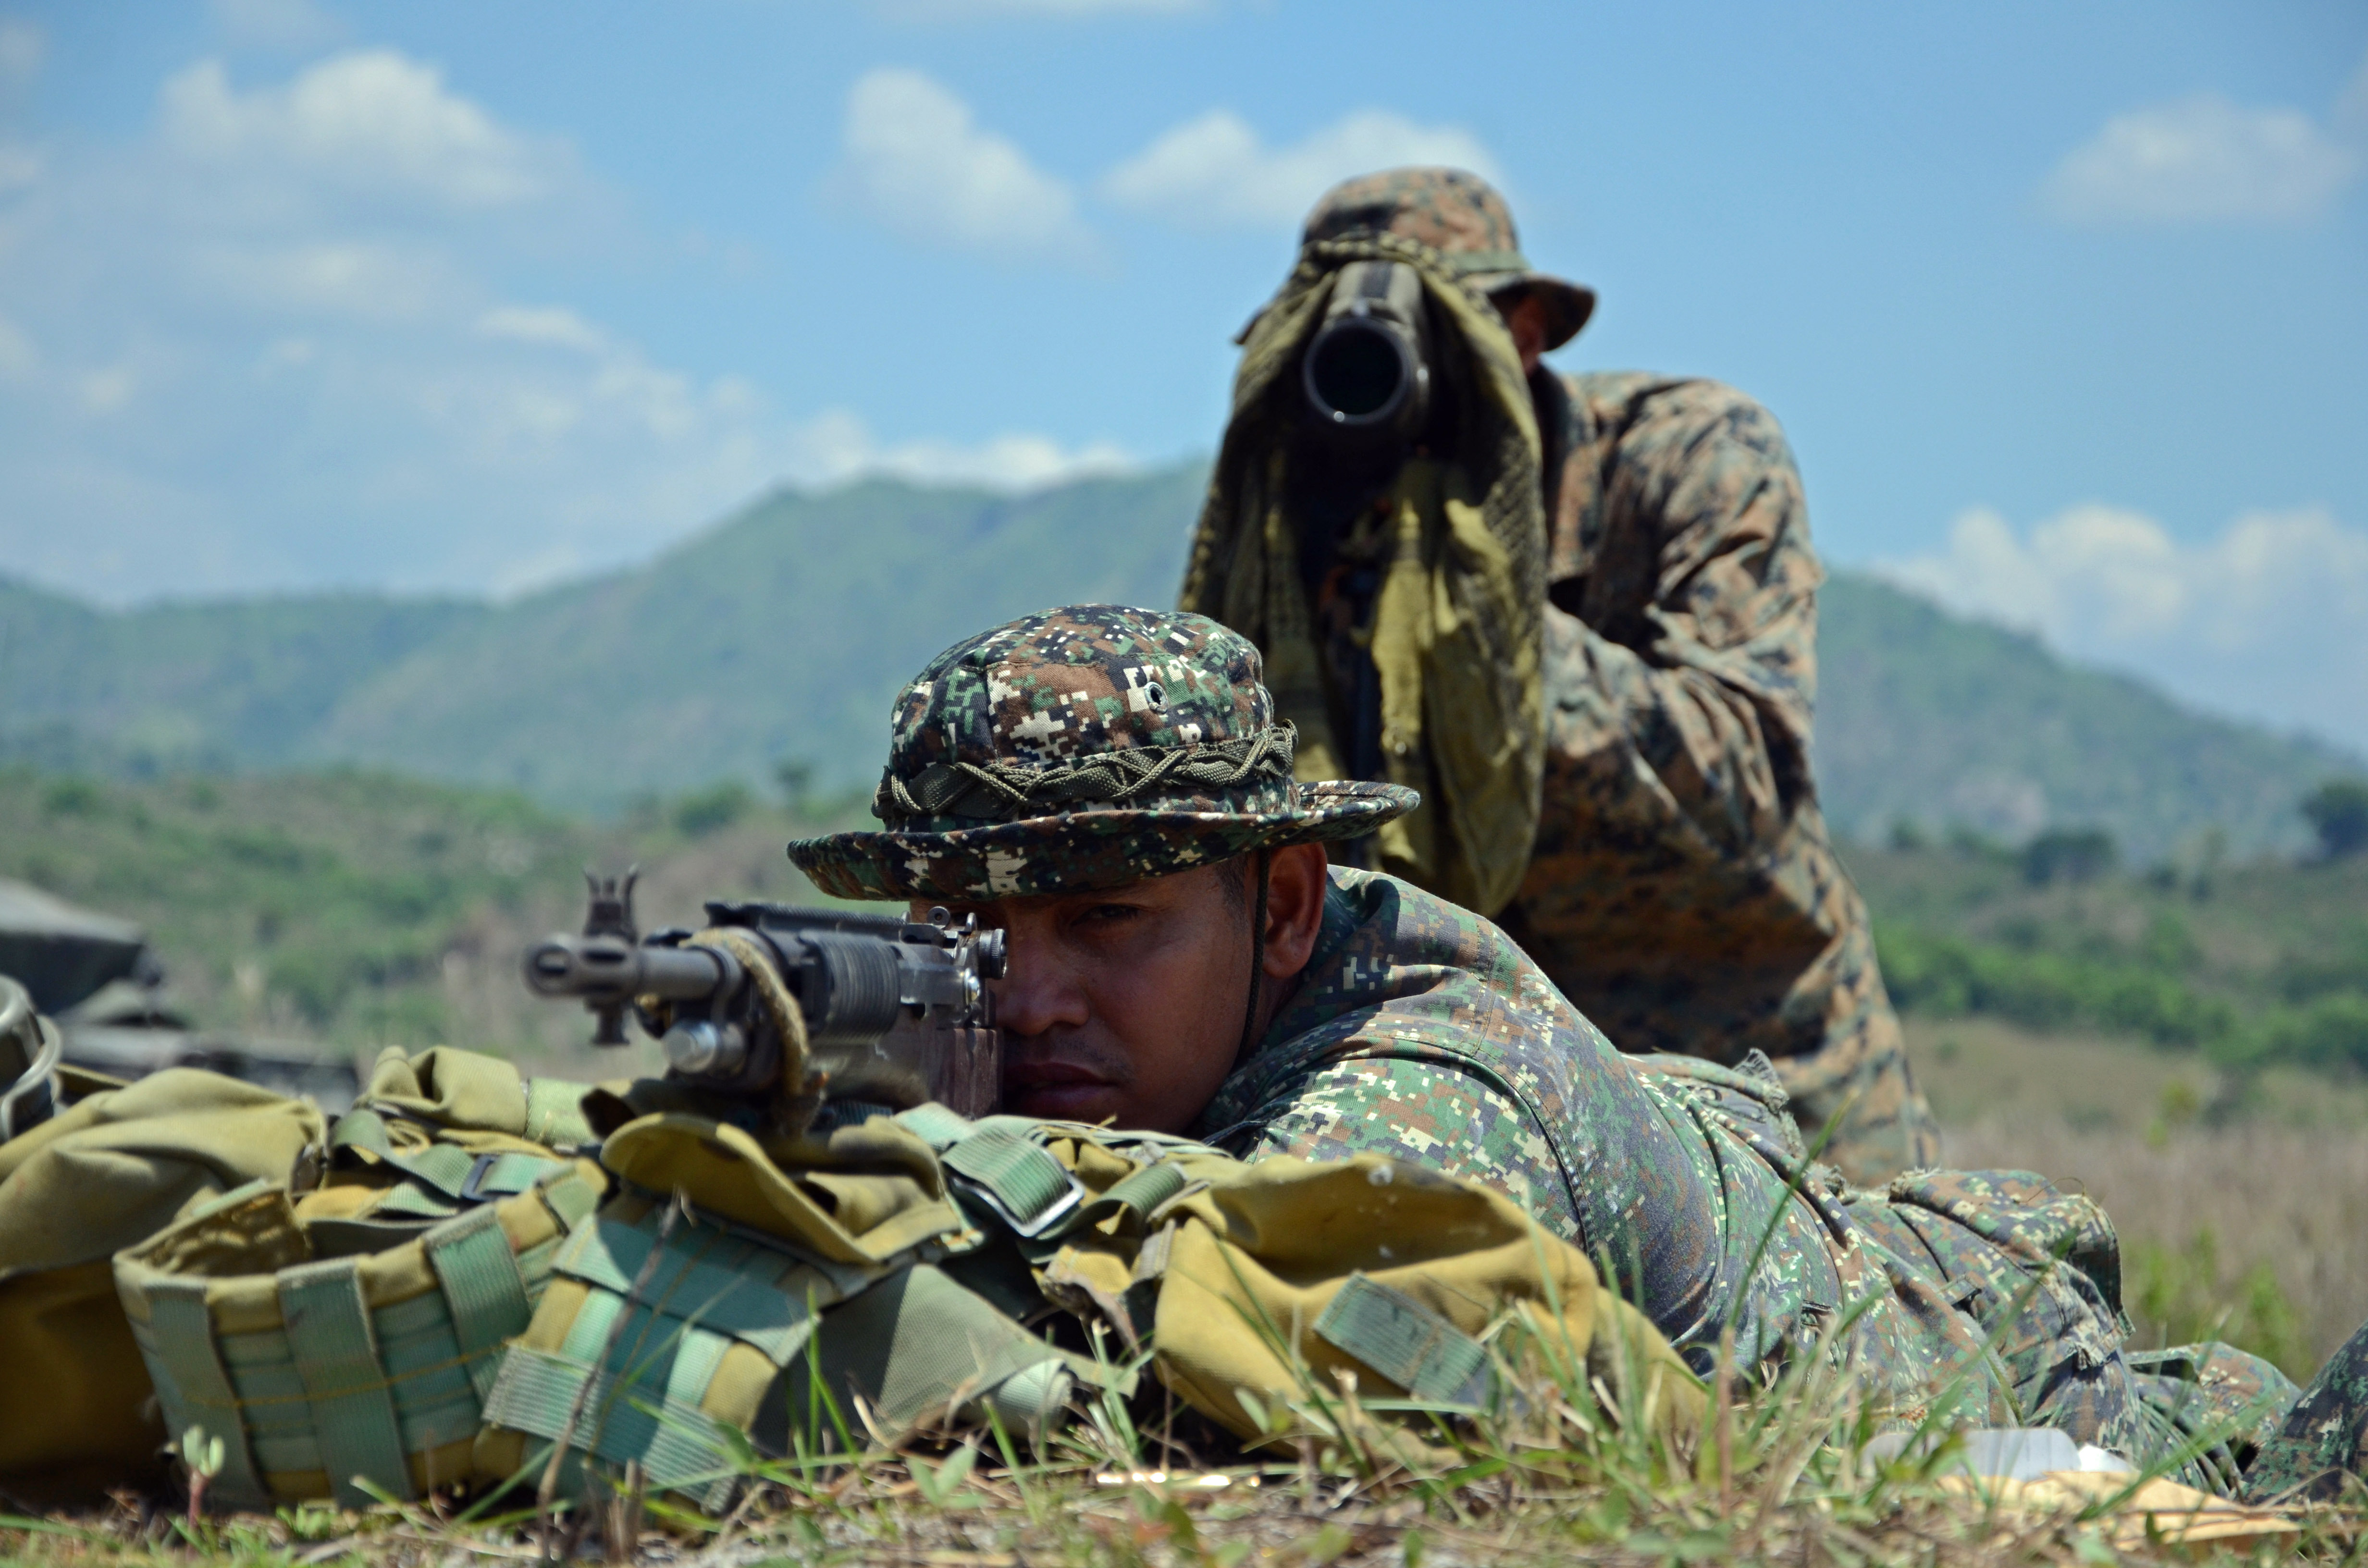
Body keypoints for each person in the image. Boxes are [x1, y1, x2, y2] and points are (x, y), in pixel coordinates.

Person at [790, 604, 2305, 1494]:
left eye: (1107, 920)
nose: (1026, 992)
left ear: (1286, 907)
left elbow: (1209, 1370)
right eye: (967, 927)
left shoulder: (1423, 1078)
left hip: (2037, 1391)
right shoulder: (1015, 1032)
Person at [1177, 167, 1936, 1183]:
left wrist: (1478, 614)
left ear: (1524, 334)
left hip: (1763, 1080)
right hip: (1489, 1090)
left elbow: (1741, 787)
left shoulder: (1686, 459)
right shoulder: (1289, 544)